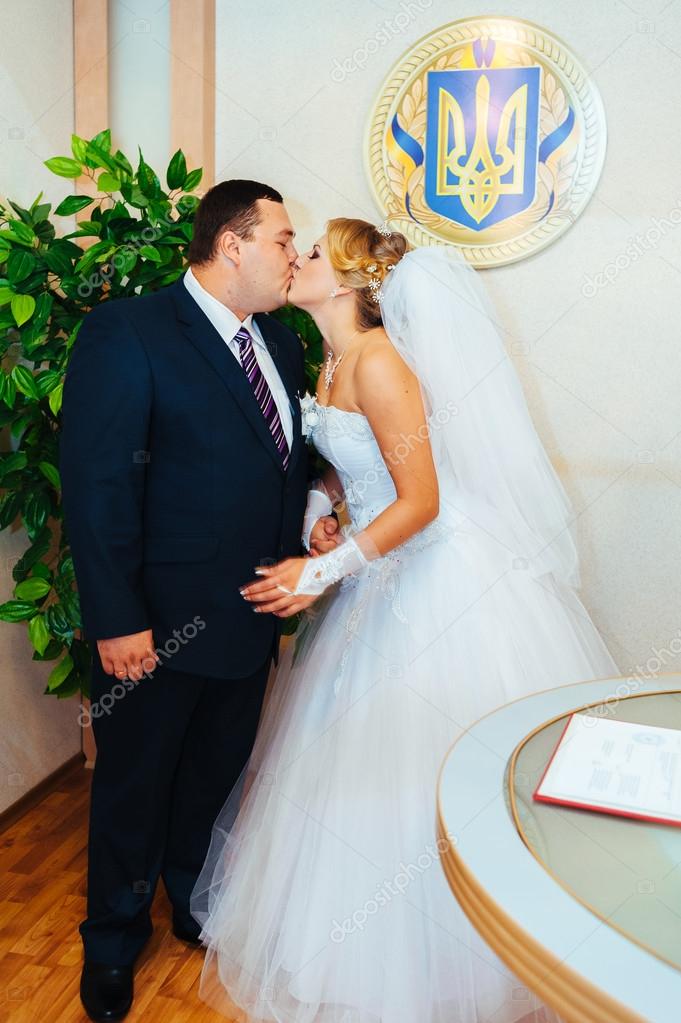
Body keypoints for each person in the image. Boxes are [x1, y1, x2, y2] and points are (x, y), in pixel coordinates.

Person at [189, 218, 620, 1023]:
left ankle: (446, 965)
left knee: (412, 763)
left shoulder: (381, 362)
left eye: (311, 252)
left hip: (434, 581)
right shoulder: (328, 356)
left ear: (349, 282)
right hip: (375, 570)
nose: (297, 260)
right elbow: (353, 468)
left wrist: (321, 569)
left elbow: (421, 500)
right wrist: (324, 508)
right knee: (354, 766)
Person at [59, 179, 337, 1022]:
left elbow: (282, 465)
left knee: (213, 775)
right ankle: (110, 938)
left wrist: (311, 535)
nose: (294, 255)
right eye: (284, 239)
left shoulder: (283, 345)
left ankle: (190, 896)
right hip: (152, 627)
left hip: (251, 618)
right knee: (133, 787)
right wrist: (117, 620)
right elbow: (97, 485)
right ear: (232, 246)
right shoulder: (129, 332)